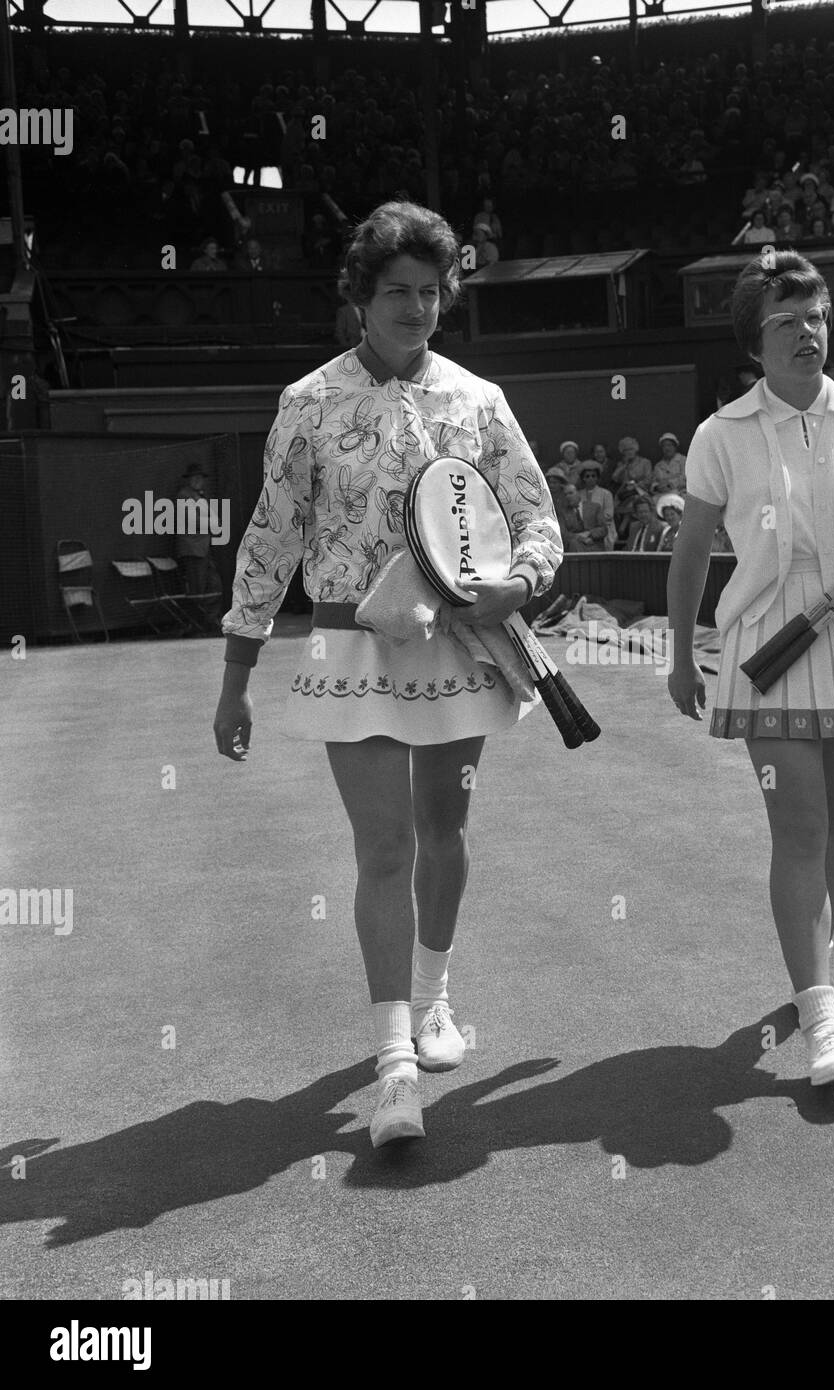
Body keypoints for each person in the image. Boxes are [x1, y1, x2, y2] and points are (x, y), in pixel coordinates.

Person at [214, 201, 562, 1149]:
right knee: (384, 850)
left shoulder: (480, 400)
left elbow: (538, 518)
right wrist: (237, 670)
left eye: (431, 292)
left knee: (444, 832)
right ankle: (394, 1063)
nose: (416, 308)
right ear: (358, 299)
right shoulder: (306, 404)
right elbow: (270, 541)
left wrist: (517, 581)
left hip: (459, 650)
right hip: (348, 649)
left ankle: (437, 997)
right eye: (397, 292)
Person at [666, 250, 834, 1090]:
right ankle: (823, 1017)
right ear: (756, 342)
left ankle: (812, 968)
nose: (807, 333)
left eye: (816, 317)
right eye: (787, 322)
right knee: (802, 830)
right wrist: (681, 652)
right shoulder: (719, 435)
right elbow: (693, 551)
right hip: (764, 655)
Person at [175, 465, 222, 624]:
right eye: (194, 478)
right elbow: (191, 520)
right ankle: (197, 624)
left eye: (200, 478)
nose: (197, 480)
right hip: (192, 549)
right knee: (197, 589)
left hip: (204, 548)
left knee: (214, 585)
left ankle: (210, 621)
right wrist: (213, 522)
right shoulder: (184, 495)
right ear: (188, 480)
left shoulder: (199, 496)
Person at [650, 432, 688, 497]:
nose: (667, 448)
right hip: (662, 494)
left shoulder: (683, 460)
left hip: (680, 493)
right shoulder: (658, 465)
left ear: (675, 447)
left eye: (669, 445)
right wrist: (657, 487)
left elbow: (686, 478)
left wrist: (670, 484)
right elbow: (653, 482)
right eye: (664, 446)